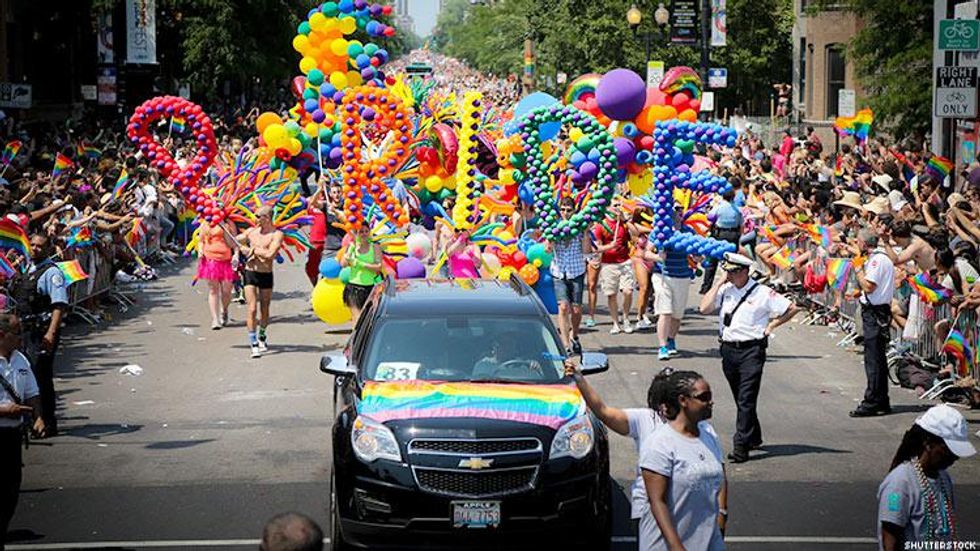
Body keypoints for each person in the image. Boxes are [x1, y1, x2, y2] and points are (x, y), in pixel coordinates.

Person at [565, 363, 728, 538]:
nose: (710, 402)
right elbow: (603, 412)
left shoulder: (706, 430)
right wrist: (580, 379)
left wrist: (721, 513)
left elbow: (719, 475)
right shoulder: (645, 420)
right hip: (651, 516)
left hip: (696, 515)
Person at [699, 252, 799, 463]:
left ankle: (741, 446)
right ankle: (753, 436)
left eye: (734, 272)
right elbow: (704, 308)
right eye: (728, 272)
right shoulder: (726, 290)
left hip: (751, 350)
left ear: (745, 271)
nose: (730, 276)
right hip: (728, 349)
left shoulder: (762, 292)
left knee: (746, 398)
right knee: (740, 397)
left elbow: (790, 308)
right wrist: (718, 283)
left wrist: (772, 325)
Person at [640, 370, 727, 551]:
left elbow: (720, 479)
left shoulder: (709, 436)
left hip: (709, 542)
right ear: (683, 400)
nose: (710, 402)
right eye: (704, 397)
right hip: (667, 545)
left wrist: (721, 515)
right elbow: (657, 501)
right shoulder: (660, 443)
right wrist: (676, 546)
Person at [877, 405, 976, 550]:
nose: (955, 457)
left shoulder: (944, 478)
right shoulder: (899, 484)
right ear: (928, 443)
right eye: (948, 450)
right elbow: (890, 536)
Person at [12, 233, 69, 437]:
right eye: (33, 245)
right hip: (25, 331)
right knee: (26, 376)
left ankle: (47, 422)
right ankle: (33, 421)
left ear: (48, 249)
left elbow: (59, 305)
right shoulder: (29, 268)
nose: (35, 249)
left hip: (42, 331)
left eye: (39, 246)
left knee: (41, 377)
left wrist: (51, 333)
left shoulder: (52, 273)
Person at [0, 313, 44, 548]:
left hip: (12, 435)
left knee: (11, 487)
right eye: (16, 333)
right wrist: (4, 411)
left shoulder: (21, 360)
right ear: (1, 335)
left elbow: (32, 393)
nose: (21, 338)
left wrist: (38, 418)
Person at [850, 229, 896, 417]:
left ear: (864, 243)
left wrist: (858, 269)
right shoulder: (875, 259)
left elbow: (869, 286)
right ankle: (881, 400)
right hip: (874, 310)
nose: (856, 244)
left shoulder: (878, 260)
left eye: (858, 241)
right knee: (877, 358)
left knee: (874, 359)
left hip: (876, 313)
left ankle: (872, 402)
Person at [546, 197, 593, 356]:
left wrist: (585, 232)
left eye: (569, 210)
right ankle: (565, 344)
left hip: (576, 271)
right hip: (559, 271)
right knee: (563, 307)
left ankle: (575, 335)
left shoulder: (578, 227)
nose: (565, 213)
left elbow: (586, 251)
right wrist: (550, 238)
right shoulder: (554, 226)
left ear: (574, 211)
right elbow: (547, 250)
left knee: (576, 309)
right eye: (563, 210)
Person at [237, 206, 284, 359]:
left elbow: (270, 254)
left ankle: (262, 335)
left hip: (266, 274)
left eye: (258, 216)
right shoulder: (251, 232)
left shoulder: (277, 234)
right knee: (251, 309)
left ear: (267, 218)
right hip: (250, 272)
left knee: (264, 308)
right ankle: (253, 343)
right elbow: (234, 241)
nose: (255, 218)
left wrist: (253, 250)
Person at [644, 239, 694, 361]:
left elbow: (695, 253)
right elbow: (646, 253)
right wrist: (657, 257)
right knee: (665, 312)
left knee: (677, 314)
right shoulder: (659, 231)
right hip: (662, 276)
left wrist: (697, 257)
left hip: (682, 277)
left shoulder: (688, 232)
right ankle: (662, 347)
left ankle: (670, 339)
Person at [594, 206, 635, 334]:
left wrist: (625, 220)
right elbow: (597, 248)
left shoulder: (624, 223)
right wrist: (609, 247)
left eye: (618, 206)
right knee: (611, 294)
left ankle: (626, 318)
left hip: (625, 262)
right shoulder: (601, 226)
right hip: (608, 264)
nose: (617, 208)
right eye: (614, 206)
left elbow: (635, 235)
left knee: (628, 291)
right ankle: (615, 323)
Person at [196, 218, 237, 330]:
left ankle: (224, 310)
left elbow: (233, 243)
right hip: (210, 260)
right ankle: (215, 319)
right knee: (213, 290)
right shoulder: (206, 223)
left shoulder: (229, 223)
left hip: (226, 260)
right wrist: (200, 251)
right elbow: (201, 240)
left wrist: (236, 255)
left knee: (226, 291)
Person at [700, 189, 744, 295]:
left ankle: (706, 287)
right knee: (731, 261)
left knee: (712, 261)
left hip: (719, 234)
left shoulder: (719, 207)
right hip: (733, 235)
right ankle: (730, 286)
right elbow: (741, 225)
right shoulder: (737, 210)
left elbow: (710, 218)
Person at [304, 182, 345, 285]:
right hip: (329, 248)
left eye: (338, 192)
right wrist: (319, 189)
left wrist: (335, 211)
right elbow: (312, 203)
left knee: (342, 275)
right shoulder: (326, 206)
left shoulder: (346, 207)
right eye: (334, 192)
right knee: (326, 274)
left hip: (343, 248)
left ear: (342, 193)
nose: (336, 194)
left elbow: (345, 220)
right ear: (330, 194)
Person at [341, 224, 383, 322]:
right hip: (354, 288)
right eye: (361, 232)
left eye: (366, 231)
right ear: (356, 233)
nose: (364, 234)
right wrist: (350, 251)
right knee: (358, 320)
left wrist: (360, 263)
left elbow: (378, 268)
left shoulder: (375, 247)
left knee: (370, 320)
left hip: (371, 288)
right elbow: (343, 264)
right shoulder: (352, 246)